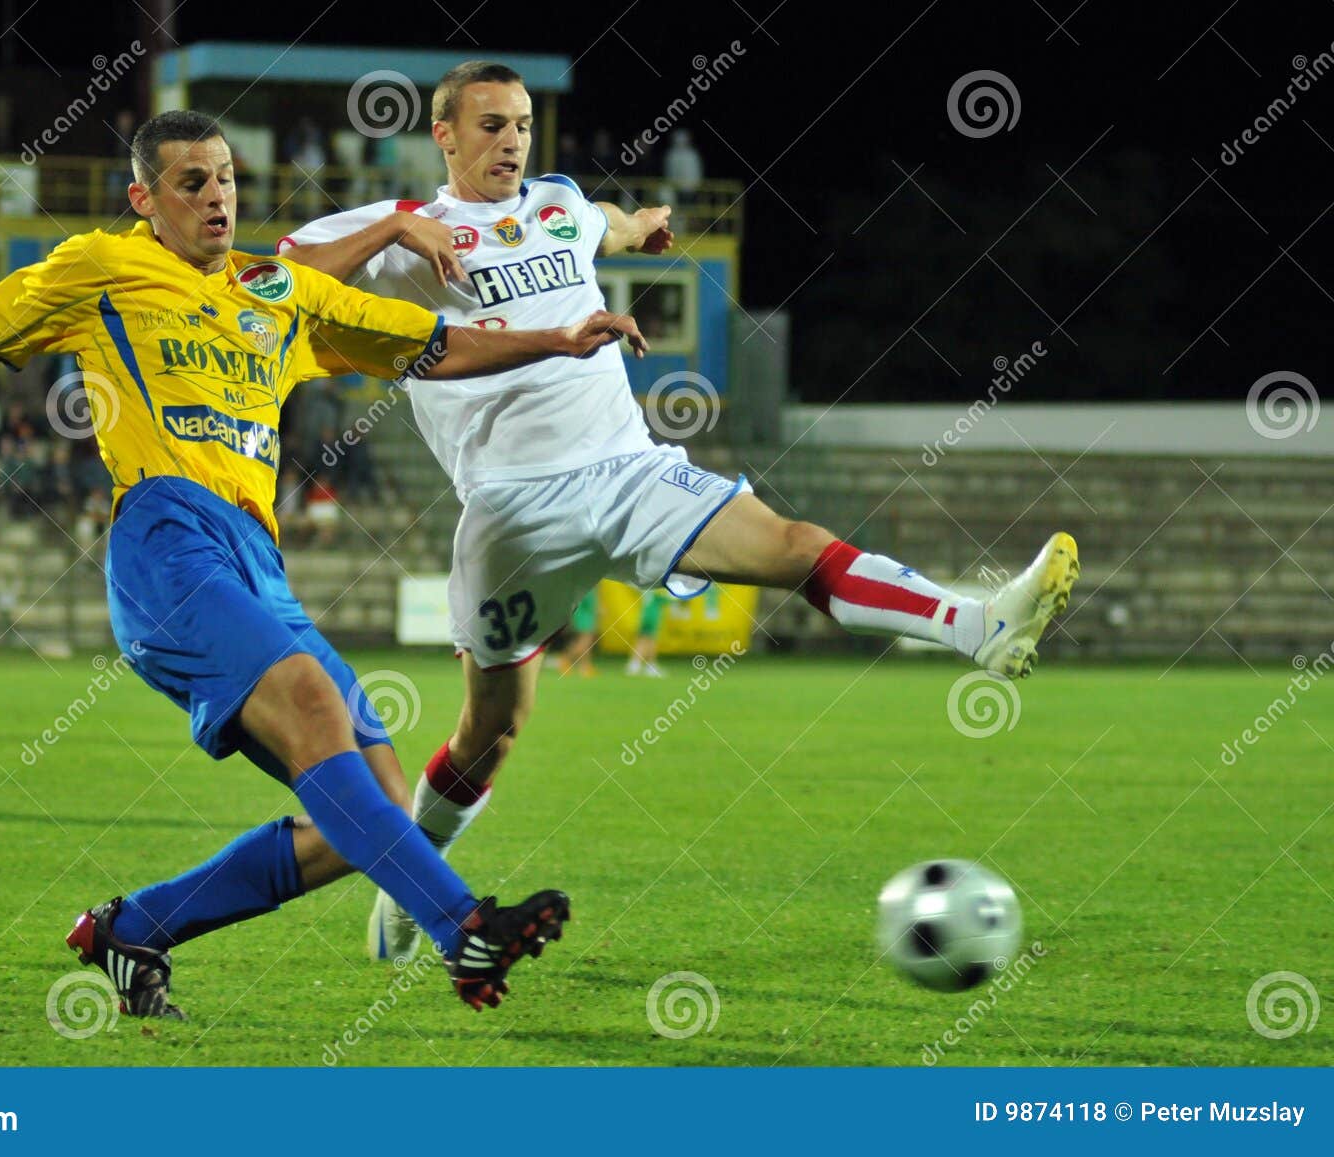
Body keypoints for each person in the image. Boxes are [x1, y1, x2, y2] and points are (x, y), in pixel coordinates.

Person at [0, 109, 649, 1017]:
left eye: (224, 177)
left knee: (378, 812)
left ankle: (135, 926)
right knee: (313, 706)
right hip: (165, 541)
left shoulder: (276, 290)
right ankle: (465, 929)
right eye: (192, 183)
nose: (217, 196)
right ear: (144, 199)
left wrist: (556, 338)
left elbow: (431, 341)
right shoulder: (96, 267)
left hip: (256, 559)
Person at [278, 60, 1082, 963]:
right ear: (445, 135)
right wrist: (395, 225)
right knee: (490, 731)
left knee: (793, 544)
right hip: (511, 510)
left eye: (523, 125)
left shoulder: (557, 204)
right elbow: (287, 272)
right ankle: (411, 879)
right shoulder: (406, 232)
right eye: (492, 125)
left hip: (629, 471)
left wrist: (644, 225)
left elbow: (606, 222)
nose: (511, 142)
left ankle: (981, 625)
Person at [553, 587, 598, 677]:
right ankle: (564, 659)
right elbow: (590, 603)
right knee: (584, 643)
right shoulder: (587, 587)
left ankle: (585, 666)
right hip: (585, 617)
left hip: (583, 615)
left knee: (584, 643)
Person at [625, 589, 668, 677]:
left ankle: (642, 665)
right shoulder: (656, 589)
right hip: (651, 616)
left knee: (645, 641)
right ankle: (639, 665)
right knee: (648, 641)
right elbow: (665, 599)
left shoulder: (649, 588)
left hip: (646, 615)